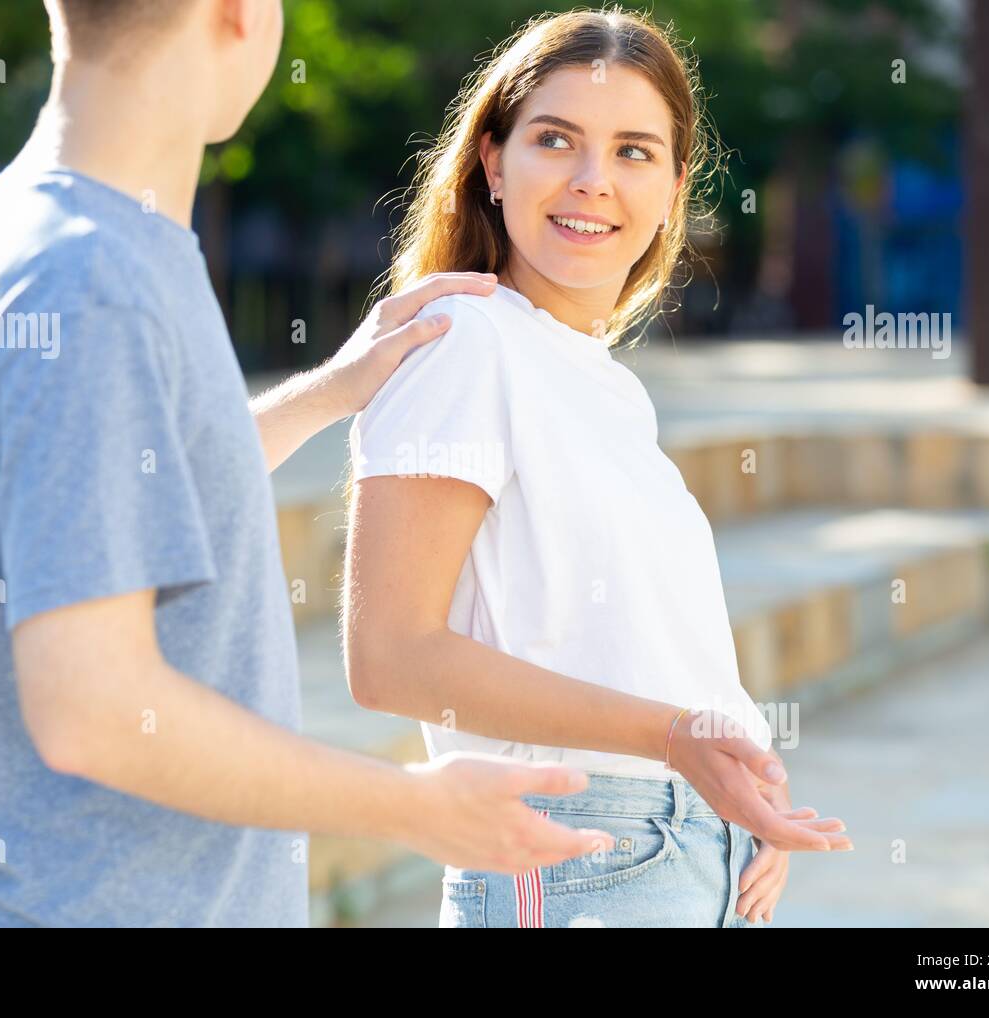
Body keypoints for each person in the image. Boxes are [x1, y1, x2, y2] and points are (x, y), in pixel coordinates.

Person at [0, 0, 619, 928]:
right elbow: (92, 707)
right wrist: (418, 808)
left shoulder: (42, 232)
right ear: (243, 14)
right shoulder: (88, 280)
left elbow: (120, 489)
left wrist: (330, 389)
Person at [343, 6, 853, 929]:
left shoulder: (603, 383)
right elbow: (389, 659)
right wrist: (671, 743)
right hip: (582, 859)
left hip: (700, 858)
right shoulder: (464, 341)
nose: (593, 182)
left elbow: (643, 646)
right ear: (493, 163)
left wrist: (739, 788)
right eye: (555, 139)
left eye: (633, 151)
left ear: (674, 184)